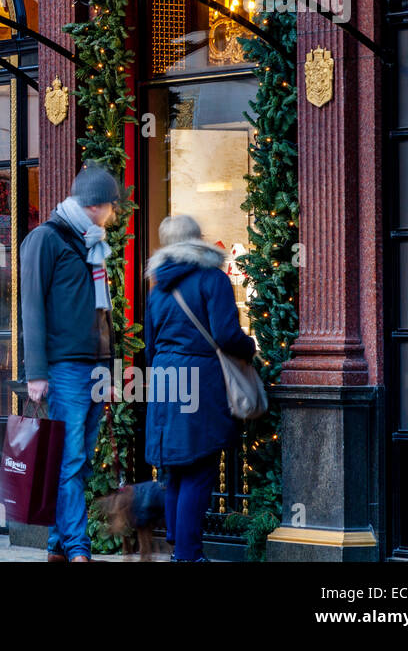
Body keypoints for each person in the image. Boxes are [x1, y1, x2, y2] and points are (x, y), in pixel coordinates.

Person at [19, 164, 120, 562]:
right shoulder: (46, 239)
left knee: (76, 461)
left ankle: (57, 547)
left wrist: (109, 372)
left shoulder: (92, 243)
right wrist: (37, 373)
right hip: (63, 369)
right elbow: (31, 307)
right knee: (71, 460)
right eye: (112, 205)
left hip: (93, 370)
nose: (114, 213)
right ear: (96, 205)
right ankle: (79, 550)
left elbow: (103, 316)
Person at [144, 214, 257, 562]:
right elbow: (225, 335)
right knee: (200, 466)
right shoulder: (212, 278)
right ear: (199, 239)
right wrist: (250, 346)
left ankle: (180, 545)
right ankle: (189, 554)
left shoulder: (157, 287)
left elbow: (150, 347)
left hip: (165, 378)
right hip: (200, 377)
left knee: (177, 468)